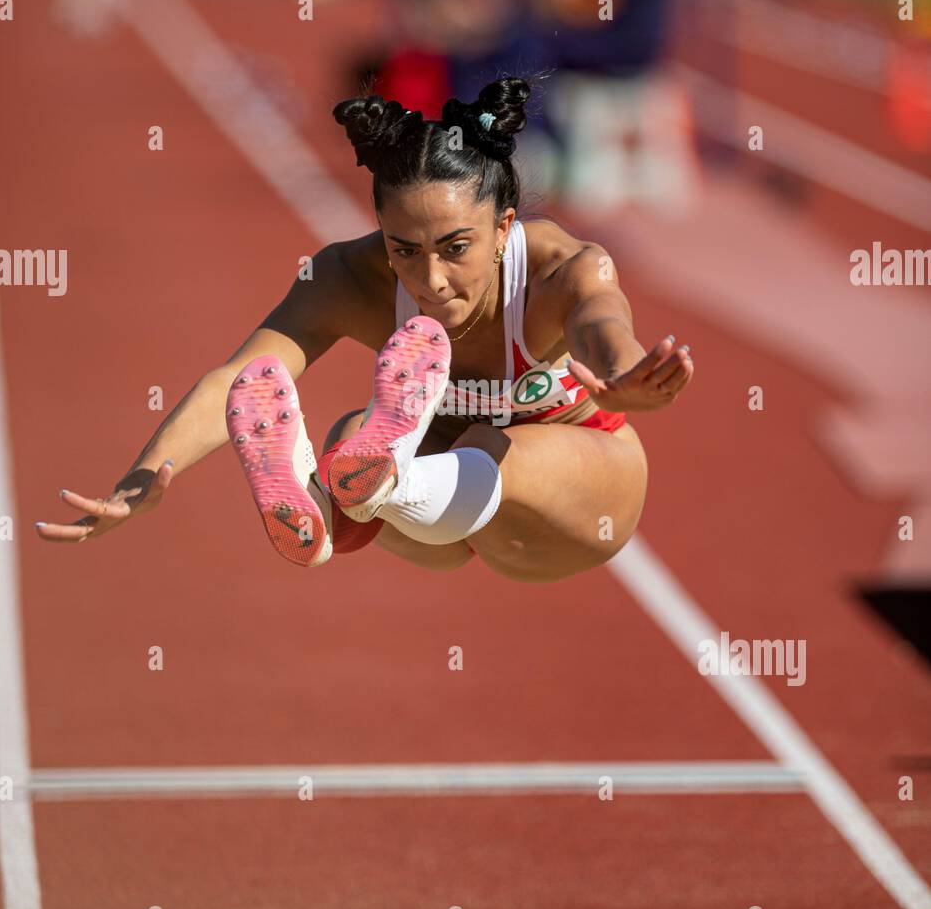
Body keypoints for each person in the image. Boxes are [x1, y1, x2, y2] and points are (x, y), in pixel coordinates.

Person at [36, 78, 693, 584]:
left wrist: (628, 377)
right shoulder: (350, 275)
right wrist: (150, 472)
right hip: (449, 526)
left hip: (582, 496)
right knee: (352, 435)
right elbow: (241, 381)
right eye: (404, 249)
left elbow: (605, 325)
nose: (431, 279)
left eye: (455, 247)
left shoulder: (561, 269)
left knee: (483, 442)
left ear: (503, 228)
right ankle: (323, 521)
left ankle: (354, 494)